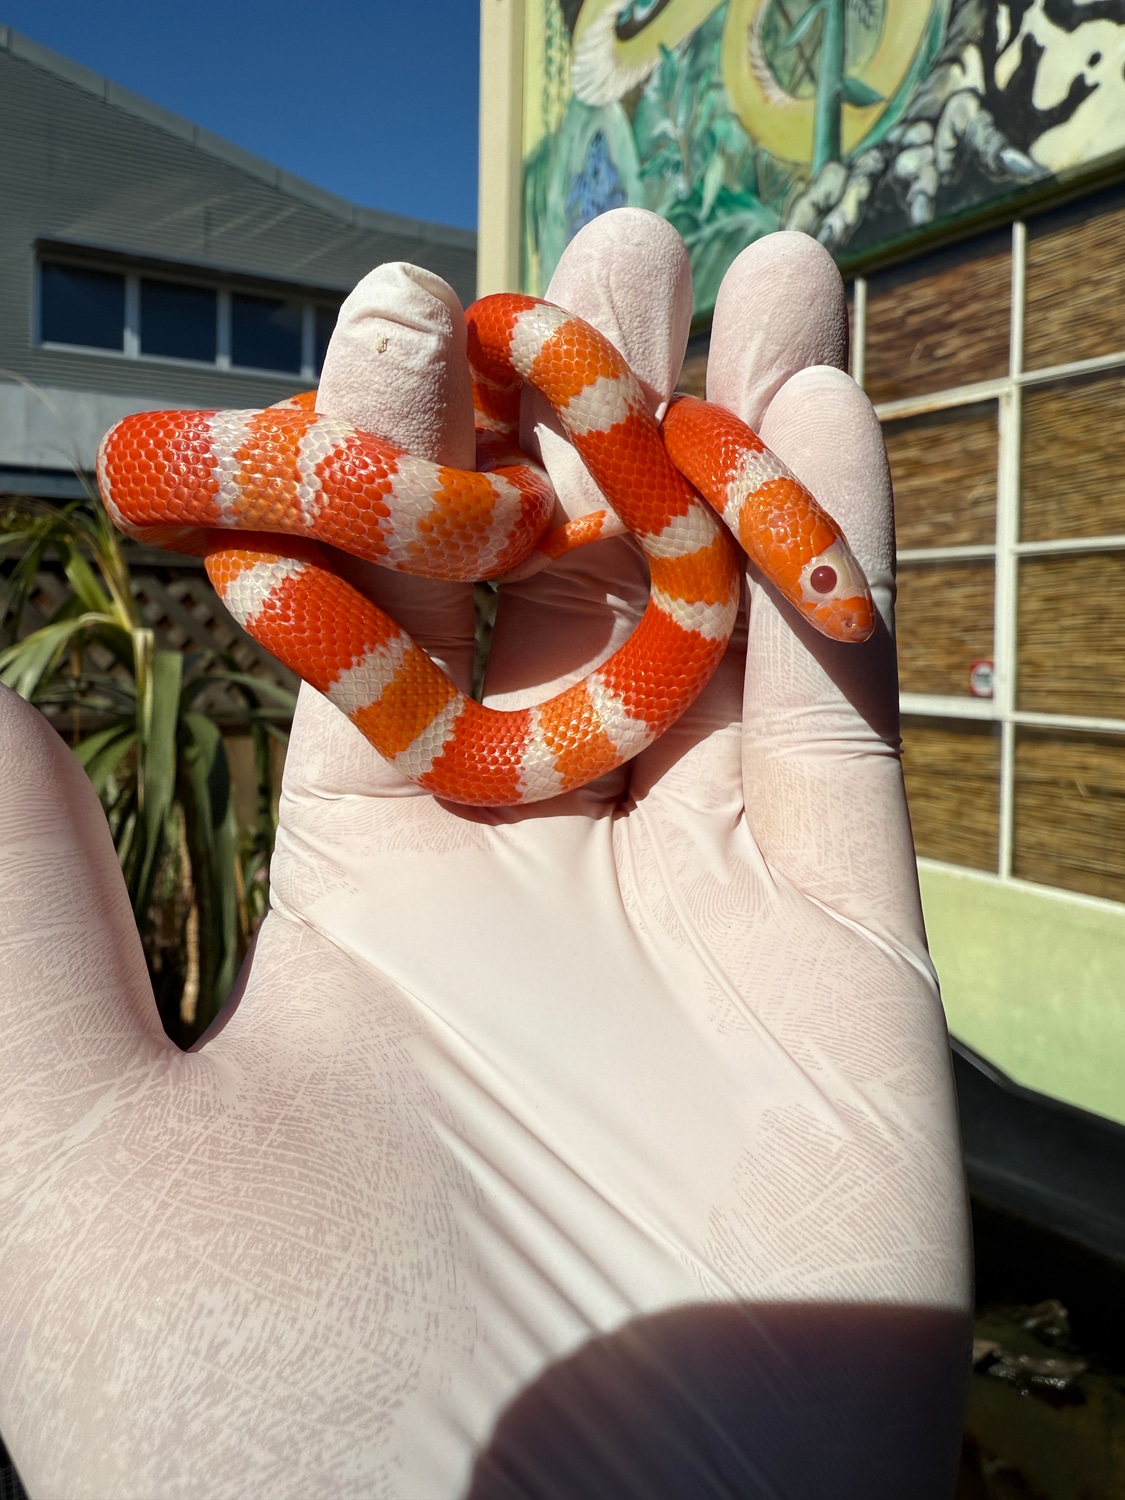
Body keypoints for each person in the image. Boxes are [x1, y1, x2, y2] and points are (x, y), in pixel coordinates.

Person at [0, 209, 971, 1499]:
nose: (835, 608)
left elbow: (641, 561)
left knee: (507, 495)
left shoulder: (677, 489)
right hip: (584, 495)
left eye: (827, 582)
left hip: (609, 517)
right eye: (822, 581)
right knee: (490, 471)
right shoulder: (641, 470)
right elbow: (139, 470)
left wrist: (561, 508)